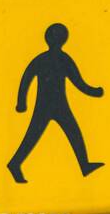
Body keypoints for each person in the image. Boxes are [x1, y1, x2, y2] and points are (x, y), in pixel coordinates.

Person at [7, 23, 104, 183]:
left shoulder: (54, 59)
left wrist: (94, 91)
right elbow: (27, 79)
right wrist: (21, 102)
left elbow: (77, 81)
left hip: (58, 104)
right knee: (33, 137)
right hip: (47, 105)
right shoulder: (56, 59)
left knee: (73, 132)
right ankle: (14, 163)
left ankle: (84, 165)